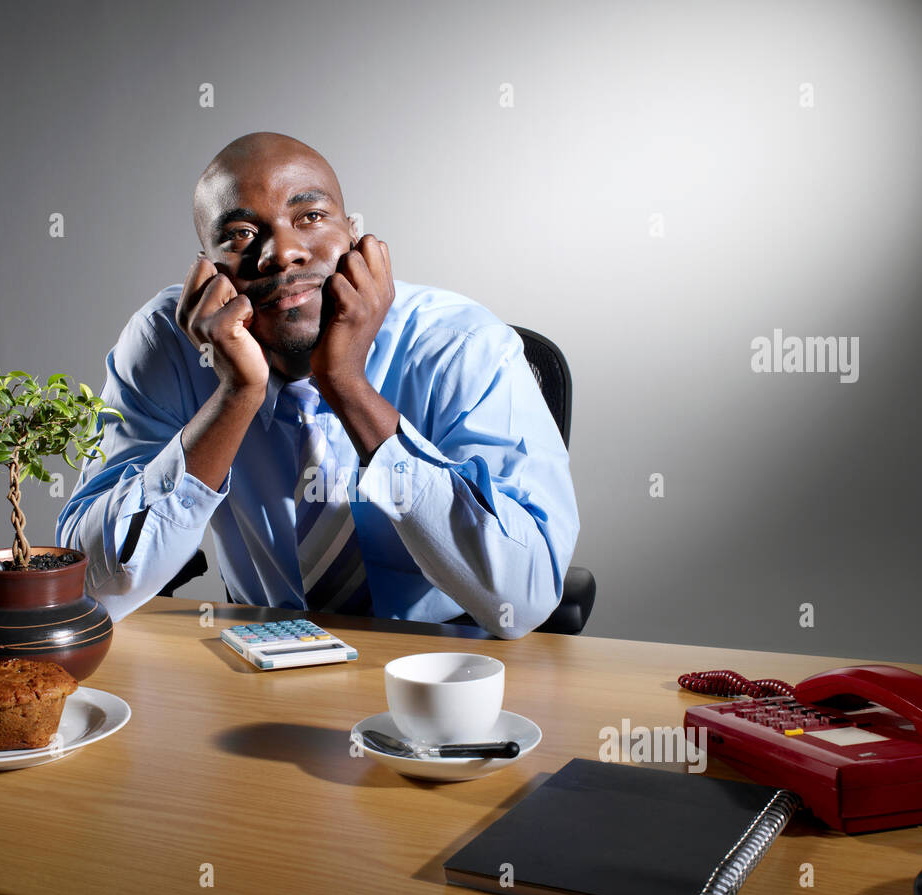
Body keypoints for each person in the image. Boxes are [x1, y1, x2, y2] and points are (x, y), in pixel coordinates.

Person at [56, 132, 578, 638]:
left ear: (354, 236)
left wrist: (348, 387)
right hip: (258, 655)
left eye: (310, 216)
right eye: (240, 233)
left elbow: (523, 598)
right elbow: (91, 590)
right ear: (207, 268)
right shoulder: (165, 344)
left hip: (440, 660)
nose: (282, 252)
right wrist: (235, 396)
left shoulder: (462, 346)